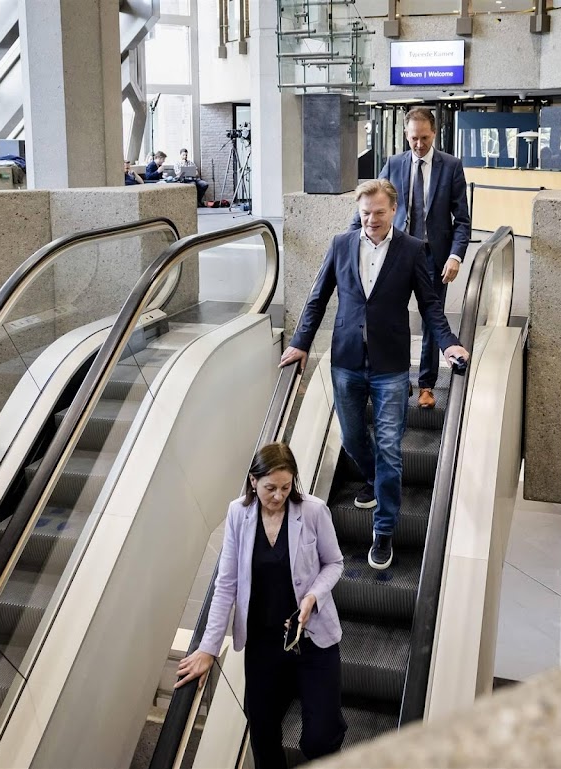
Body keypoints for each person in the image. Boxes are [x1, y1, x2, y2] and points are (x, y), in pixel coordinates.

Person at [282, 179, 470, 570]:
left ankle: (383, 530)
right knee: (352, 438)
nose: (371, 220)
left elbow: (431, 306)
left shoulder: (414, 250)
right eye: (365, 212)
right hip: (346, 360)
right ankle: (372, 478)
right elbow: (317, 298)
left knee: (389, 447)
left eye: (379, 212)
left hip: (390, 366)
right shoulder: (341, 244)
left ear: (394, 210)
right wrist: (300, 342)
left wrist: (448, 342)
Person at [175, 443, 346, 769]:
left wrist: (312, 597)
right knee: (263, 734)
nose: (279, 496)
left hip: (313, 640)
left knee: (321, 737)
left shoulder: (312, 510)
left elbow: (334, 563)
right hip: (263, 642)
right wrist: (209, 648)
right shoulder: (239, 513)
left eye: (286, 487)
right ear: (253, 481)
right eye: (270, 488)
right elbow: (226, 584)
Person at [350, 107, 470, 410]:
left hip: (435, 257)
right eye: (414, 138)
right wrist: (350, 242)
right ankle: (397, 378)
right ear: (406, 135)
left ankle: (427, 385)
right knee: (391, 318)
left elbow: (463, 220)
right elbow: (367, 205)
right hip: (397, 253)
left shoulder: (451, 166)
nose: (419, 144)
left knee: (432, 319)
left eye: (425, 138)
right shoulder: (393, 164)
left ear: (435, 133)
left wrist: (455, 255)